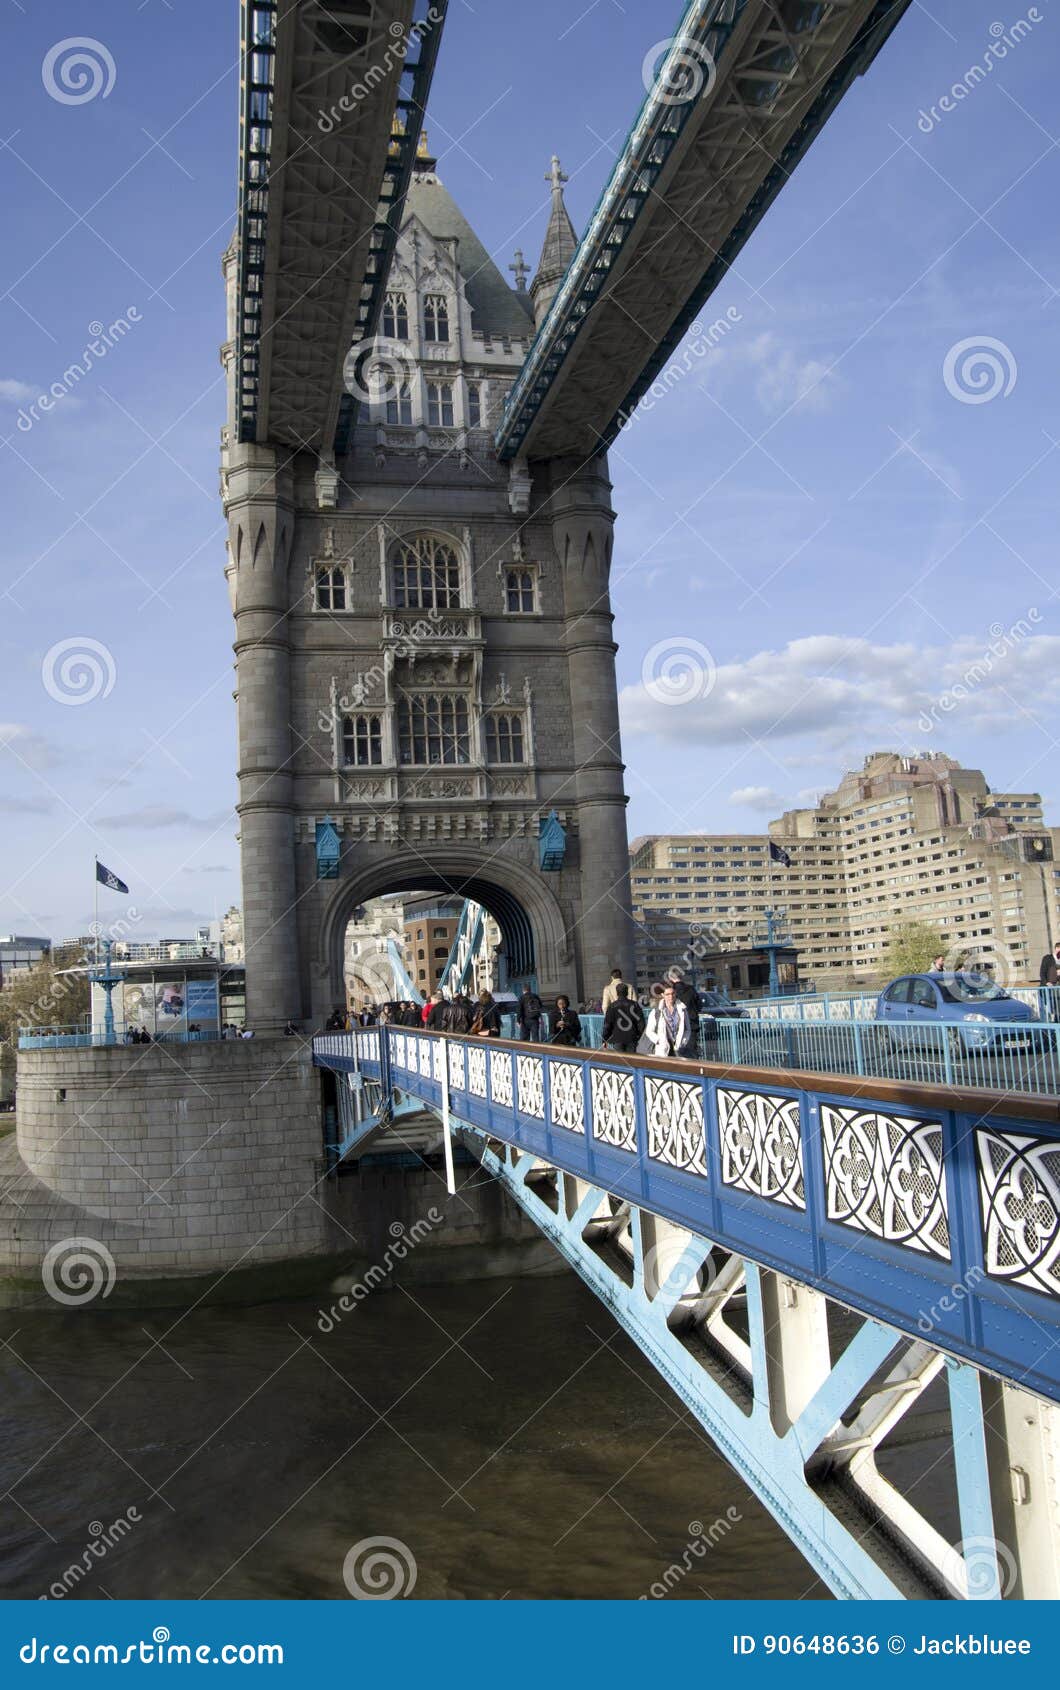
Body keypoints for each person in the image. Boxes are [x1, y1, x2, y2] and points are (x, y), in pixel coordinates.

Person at [645, 983, 691, 1059]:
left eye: (673, 993)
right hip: (663, 1049)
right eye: (667, 994)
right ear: (663, 995)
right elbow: (649, 1031)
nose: (671, 996)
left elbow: (688, 1028)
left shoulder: (682, 1009)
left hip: (678, 1048)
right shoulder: (656, 1011)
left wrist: (683, 1042)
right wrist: (659, 1041)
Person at [601, 983, 645, 1054]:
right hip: (632, 1037)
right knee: (631, 1061)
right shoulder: (635, 1005)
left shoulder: (612, 1006)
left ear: (617, 993)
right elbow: (641, 1023)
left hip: (617, 1038)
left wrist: (604, 1039)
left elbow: (607, 1025)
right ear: (627, 992)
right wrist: (638, 1035)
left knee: (620, 1062)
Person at [666, 967, 699, 1056]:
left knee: (676, 1054)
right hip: (692, 1024)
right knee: (692, 1053)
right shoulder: (691, 989)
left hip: (676, 1026)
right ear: (681, 977)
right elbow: (699, 1005)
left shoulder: (670, 992)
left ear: (670, 978)